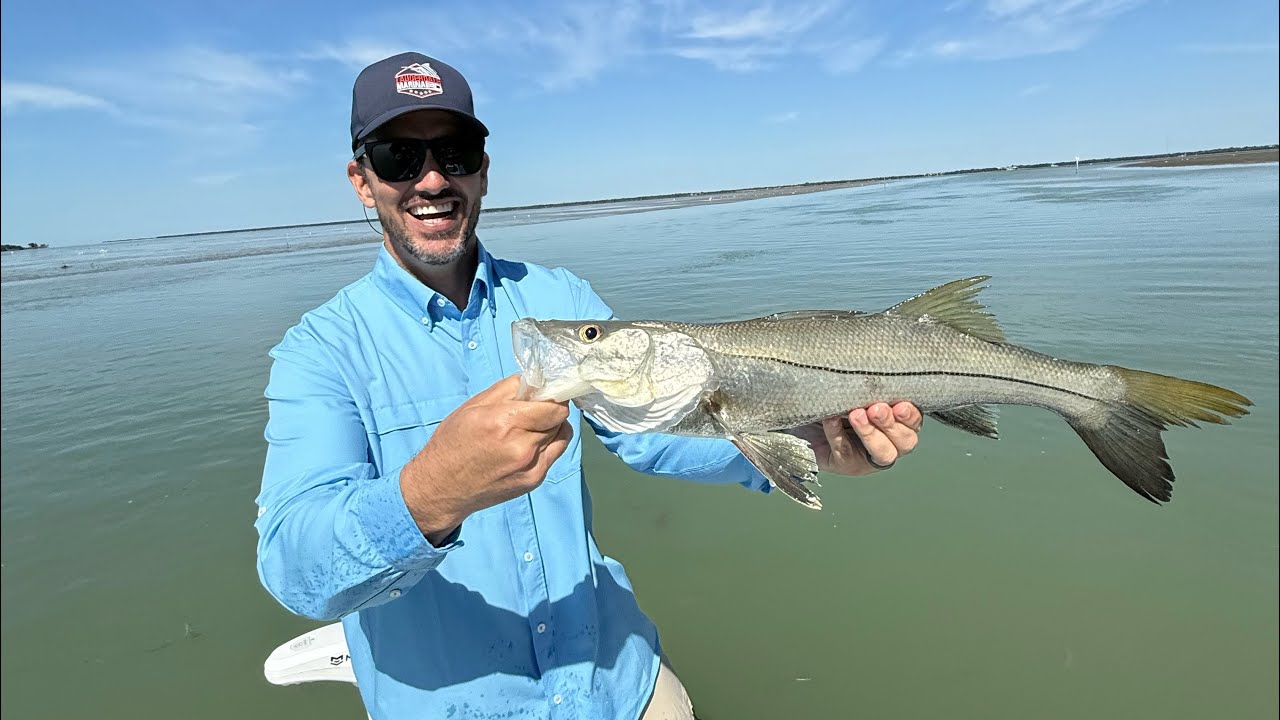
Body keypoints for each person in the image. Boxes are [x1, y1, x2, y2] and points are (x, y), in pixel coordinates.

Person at [254, 52, 924, 720]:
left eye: (454, 152)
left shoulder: (557, 298)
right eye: (399, 157)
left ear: (483, 169)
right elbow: (294, 566)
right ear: (362, 181)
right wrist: (431, 491)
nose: (431, 179)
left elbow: (651, 433)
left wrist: (804, 435)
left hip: (622, 686)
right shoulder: (320, 351)